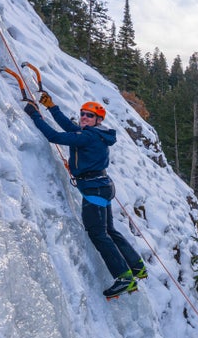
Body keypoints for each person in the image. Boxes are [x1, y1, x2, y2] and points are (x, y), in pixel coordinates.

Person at [24, 93, 146, 296]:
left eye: (89, 115)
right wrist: (52, 107)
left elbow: (55, 136)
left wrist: (35, 115)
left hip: (94, 188)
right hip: (101, 185)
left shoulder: (89, 136)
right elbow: (71, 129)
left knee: (98, 234)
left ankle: (124, 278)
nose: (83, 118)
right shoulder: (95, 134)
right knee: (109, 229)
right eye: (82, 114)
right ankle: (136, 266)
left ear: (98, 119)